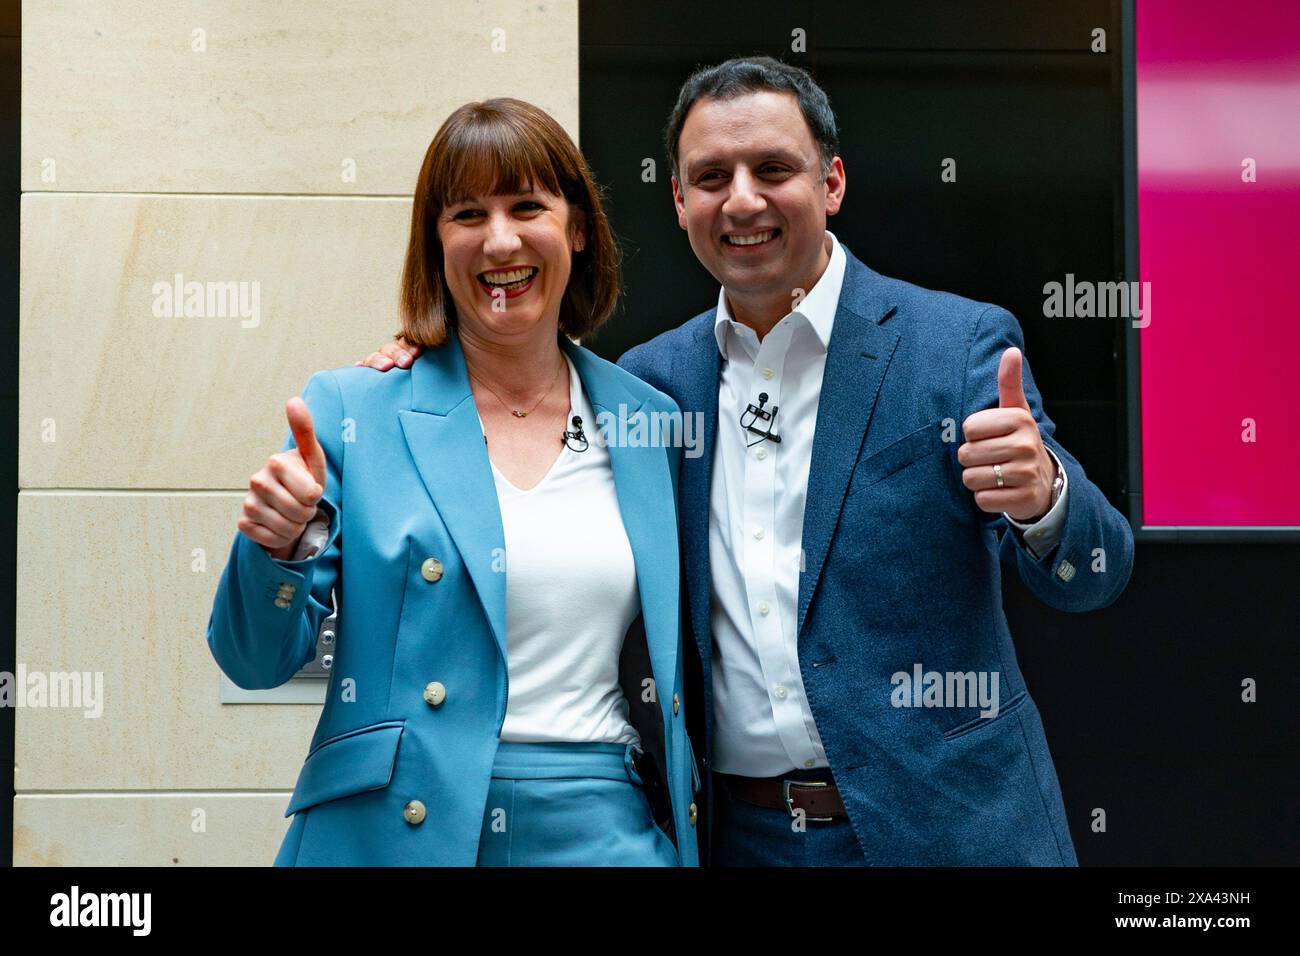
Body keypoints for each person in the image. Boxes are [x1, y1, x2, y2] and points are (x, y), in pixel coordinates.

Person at [361, 57, 1135, 866]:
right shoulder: (651, 390)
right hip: (743, 839)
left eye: (773, 169)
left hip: (951, 829)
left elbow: (1095, 573)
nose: (741, 200)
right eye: (710, 176)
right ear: (679, 200)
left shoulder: (955, 347)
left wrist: (1044, 495)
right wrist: (430, 363)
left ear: (831, 182)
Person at [207, 97, 700, 866]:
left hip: (601, 828)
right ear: (437, 245)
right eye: (467, 214)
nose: (499, 240)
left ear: (576, 228)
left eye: (527, 205)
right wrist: (277, 551)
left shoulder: (652, 422)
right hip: (391, 831)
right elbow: (253, 660)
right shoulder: (355, 408)